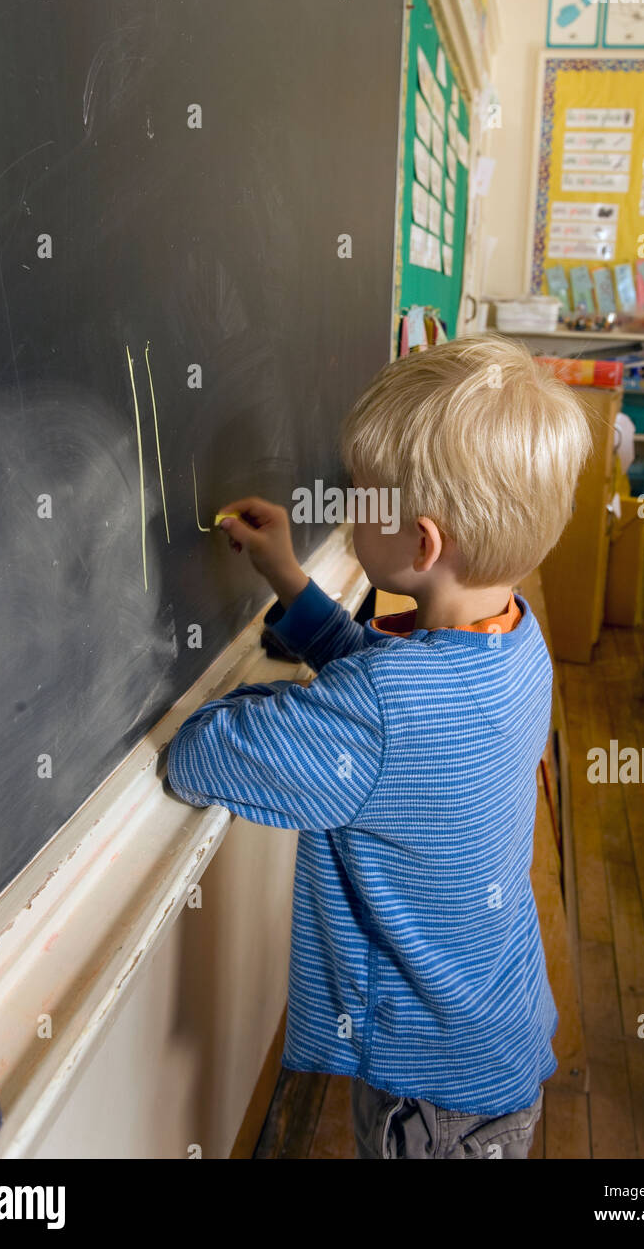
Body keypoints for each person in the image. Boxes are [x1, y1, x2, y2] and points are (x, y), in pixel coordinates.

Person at [167, 334, 591, 1159]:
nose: (346, 502)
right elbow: (394, 696)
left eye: (361, 496)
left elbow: (201, 755)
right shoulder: (513, 642)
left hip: (430, 1091)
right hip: (487, 1032)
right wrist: (291, 579)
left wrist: (240, 698)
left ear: (422, 546)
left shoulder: (382, 714)